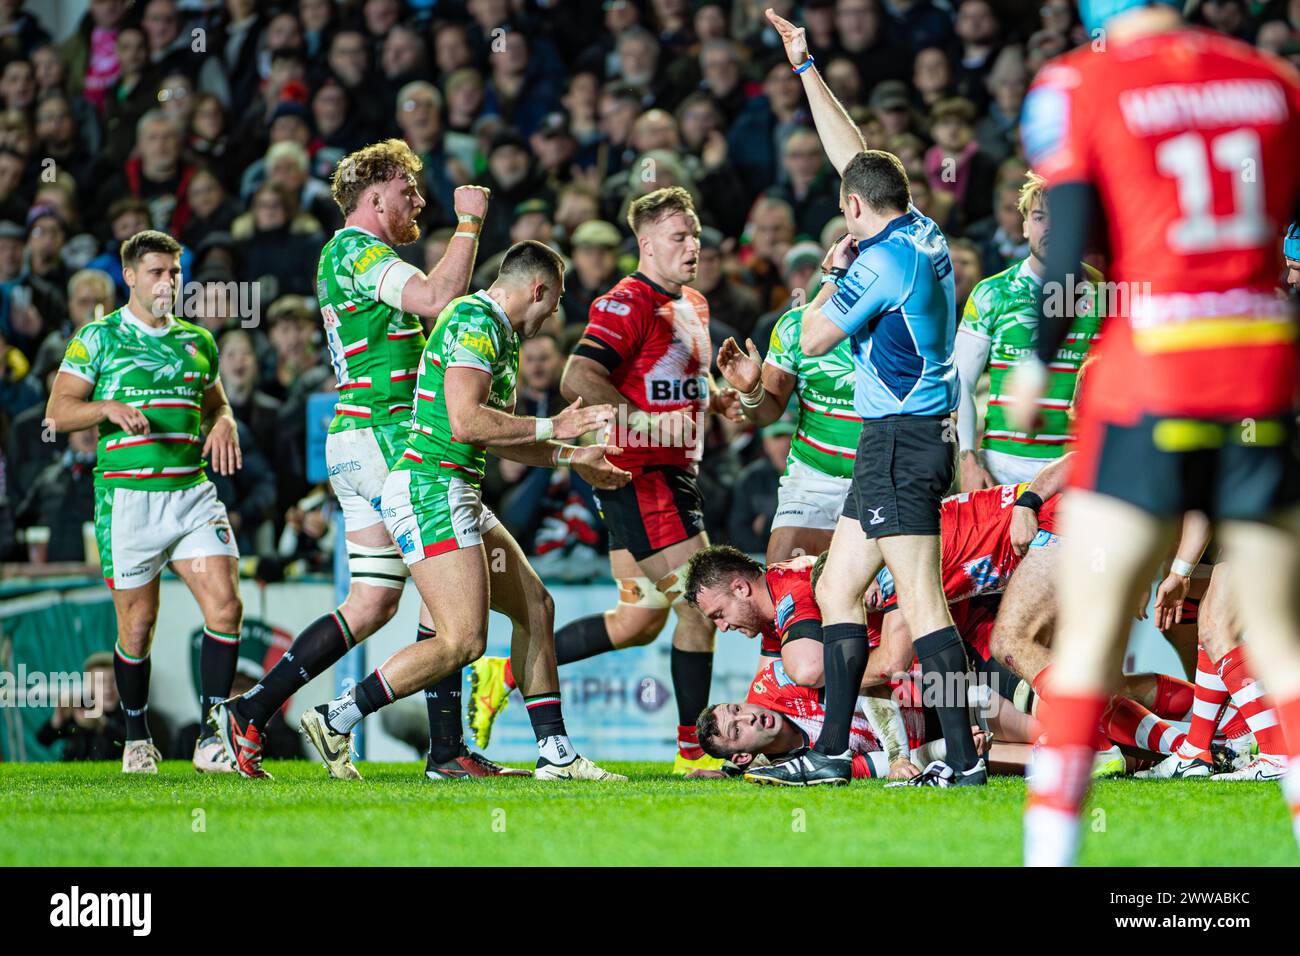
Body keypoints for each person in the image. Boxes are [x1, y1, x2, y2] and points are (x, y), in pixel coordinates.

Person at [1011, 0, 1300, 864]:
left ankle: (1051, 856)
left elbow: (1066, 251)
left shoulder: (1077, 84)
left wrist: (1036, 363)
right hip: (1258, 377)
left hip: (1152, 379)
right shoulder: (1272, 85)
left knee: (1092, 635)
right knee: (1282, 646)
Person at [209, 139, 502, 781]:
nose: (419, 202)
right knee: (447, 597)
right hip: (387, 435)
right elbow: (437, 296)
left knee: (372, 601)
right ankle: (437, 746)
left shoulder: (345, 255)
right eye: (408, 192)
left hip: (354, 436)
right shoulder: (356, 248)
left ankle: (252, 709)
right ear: (374, 195)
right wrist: (471, 221)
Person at [745, 10, 980, 788]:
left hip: (903, 439)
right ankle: (835, 752)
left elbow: (810, 341)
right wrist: (805, 66)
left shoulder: (874, 265)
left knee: (922, 602)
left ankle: (965, 761)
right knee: (837, 586)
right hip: (903, 437)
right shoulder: (918, 229)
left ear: (851, 211)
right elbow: (858, 163)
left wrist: (833, 271)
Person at [306, 240, 630, 782]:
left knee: (535, 605)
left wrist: (574, 458)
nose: (555, 313)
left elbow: (497, 439)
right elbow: (465, 423)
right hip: (431, 490)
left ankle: (555, 754)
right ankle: (336, 717)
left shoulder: (497, 332)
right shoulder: (474, 319)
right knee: (462, 641)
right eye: (556, 302)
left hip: (457, 488)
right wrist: (556, 427)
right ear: (539, 289)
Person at [467, 186, 743, 773]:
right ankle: (695, 755)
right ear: (645, 244)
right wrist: (643, 425)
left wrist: (714, 402)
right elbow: (578, 375)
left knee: (636, 622)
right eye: (679, 237)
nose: (692, 246)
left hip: (671, 474)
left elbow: (672, 382)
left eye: (695, 235)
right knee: (701, 605)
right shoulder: (626, 301)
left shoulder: (693, 301)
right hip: (642, 478)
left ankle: (502, 673)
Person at [43, 229, 244, 775]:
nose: (168, 282)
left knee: (225, 607)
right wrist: (106, 408)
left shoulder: (197, 342)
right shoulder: (98, 337)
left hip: (191, 494)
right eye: (156, 271)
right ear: (129, 276)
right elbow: (57, 413)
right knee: (138, 626)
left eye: (175, 272)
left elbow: (215, 403)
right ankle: (136, 737)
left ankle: (212, 737)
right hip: (129, 501)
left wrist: (223, 423)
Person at [956, 172, 1102, 489]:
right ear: (1024, 225)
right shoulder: (991, 292)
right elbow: (961, 383)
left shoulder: (1107, 293)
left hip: (1077, 464)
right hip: (1003, 466)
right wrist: (967, 458)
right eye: (1039, 218)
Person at [717, 290, 860, 565]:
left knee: (869, 595)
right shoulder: (794, 326)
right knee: (783, 578)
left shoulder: (899, 323)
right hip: (811, 476)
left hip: (877, 476)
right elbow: (765, 414)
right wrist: (751, 391)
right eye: (830, 272)